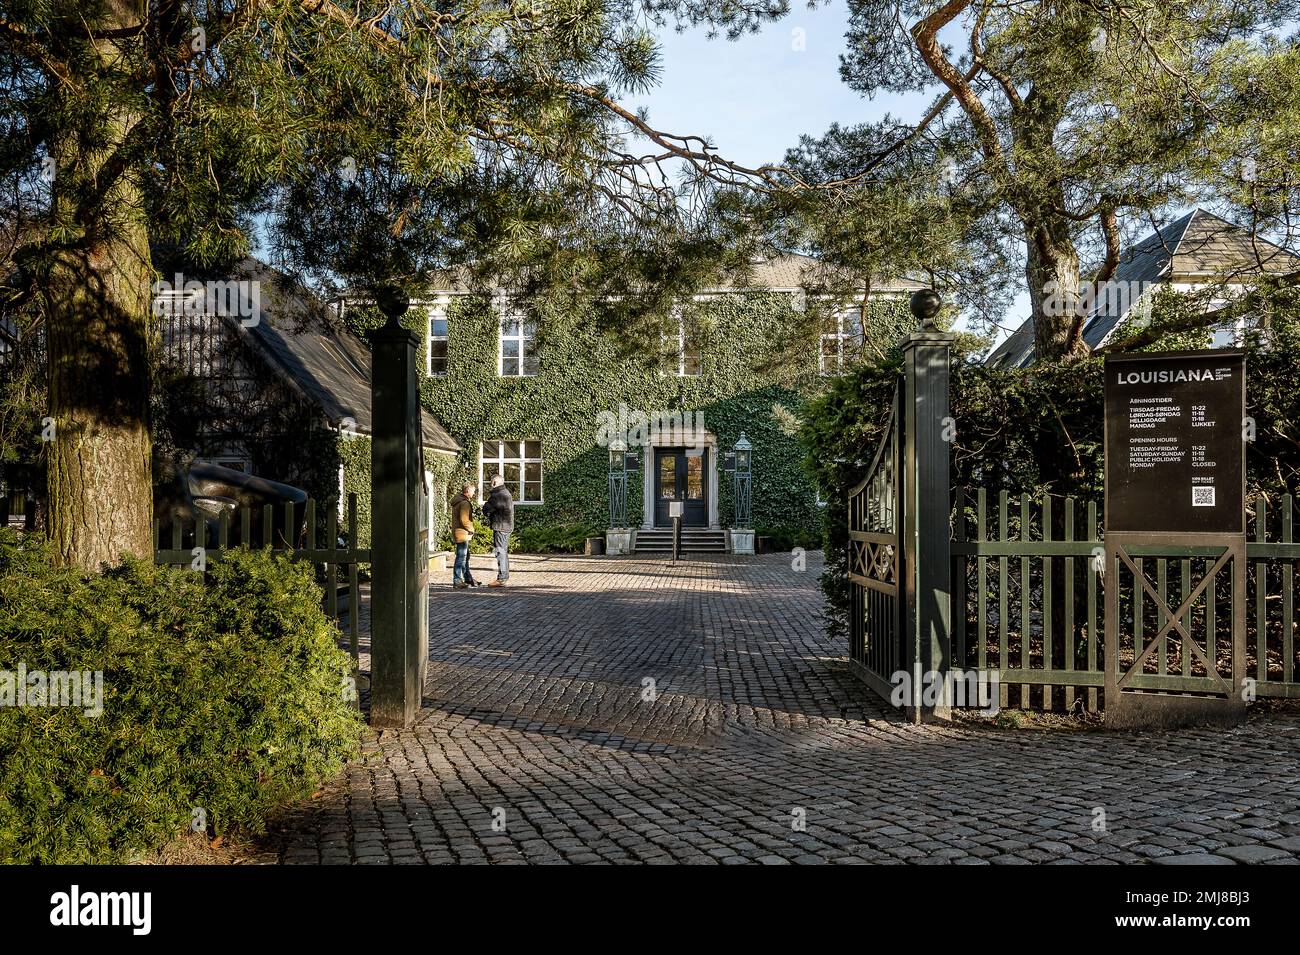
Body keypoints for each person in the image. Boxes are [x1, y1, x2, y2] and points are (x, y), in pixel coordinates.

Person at [481, 473, 514, 587]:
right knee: (503, 552)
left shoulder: (498, 495)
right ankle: (504, 577)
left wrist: (485, 507)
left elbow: (487, 508)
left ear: (494, 483)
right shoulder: (506, 493)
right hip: (506, 526)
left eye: (491, 482)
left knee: (500, 552)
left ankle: (502, 578)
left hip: (500, 526)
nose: (491, 485)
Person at [450, 482, 481, 588]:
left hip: (459, 532)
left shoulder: (459, 501)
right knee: (461, 557)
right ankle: (457, 580)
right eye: (473, 491)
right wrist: (471, 529)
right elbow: (464, 519)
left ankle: (468, 578)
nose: (474, 493)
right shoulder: (464, 503)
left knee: (465, 557)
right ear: (467, 491)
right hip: (462, 533)